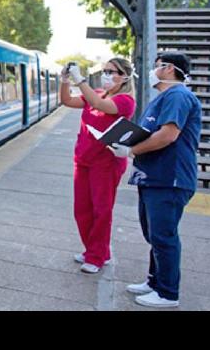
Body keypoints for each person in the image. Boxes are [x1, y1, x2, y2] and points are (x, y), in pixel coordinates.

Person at [109, 51, 201, 308]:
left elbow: (168, 135)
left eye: (156, 66)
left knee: (164, 236)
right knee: (154, 235)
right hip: (154, 177)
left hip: (169, 179)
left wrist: (131, 150)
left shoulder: (178, 96)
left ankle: (168, 293)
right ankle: (154, 281)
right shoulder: (165, 97)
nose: (152, 70)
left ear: (169, 68)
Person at [61, 58, 136, 274]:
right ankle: (93, 250)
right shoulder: (98, 92)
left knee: (101, 210)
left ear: (124, 77)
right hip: (83, 159)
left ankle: (97, 256)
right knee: (82, 210)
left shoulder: (125, 101)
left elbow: (99, 105)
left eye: (112, 71)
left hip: (106, 164)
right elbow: (67, 101)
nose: (106, 74)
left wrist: (80, 79)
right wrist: (65, 80)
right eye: (104, 70)